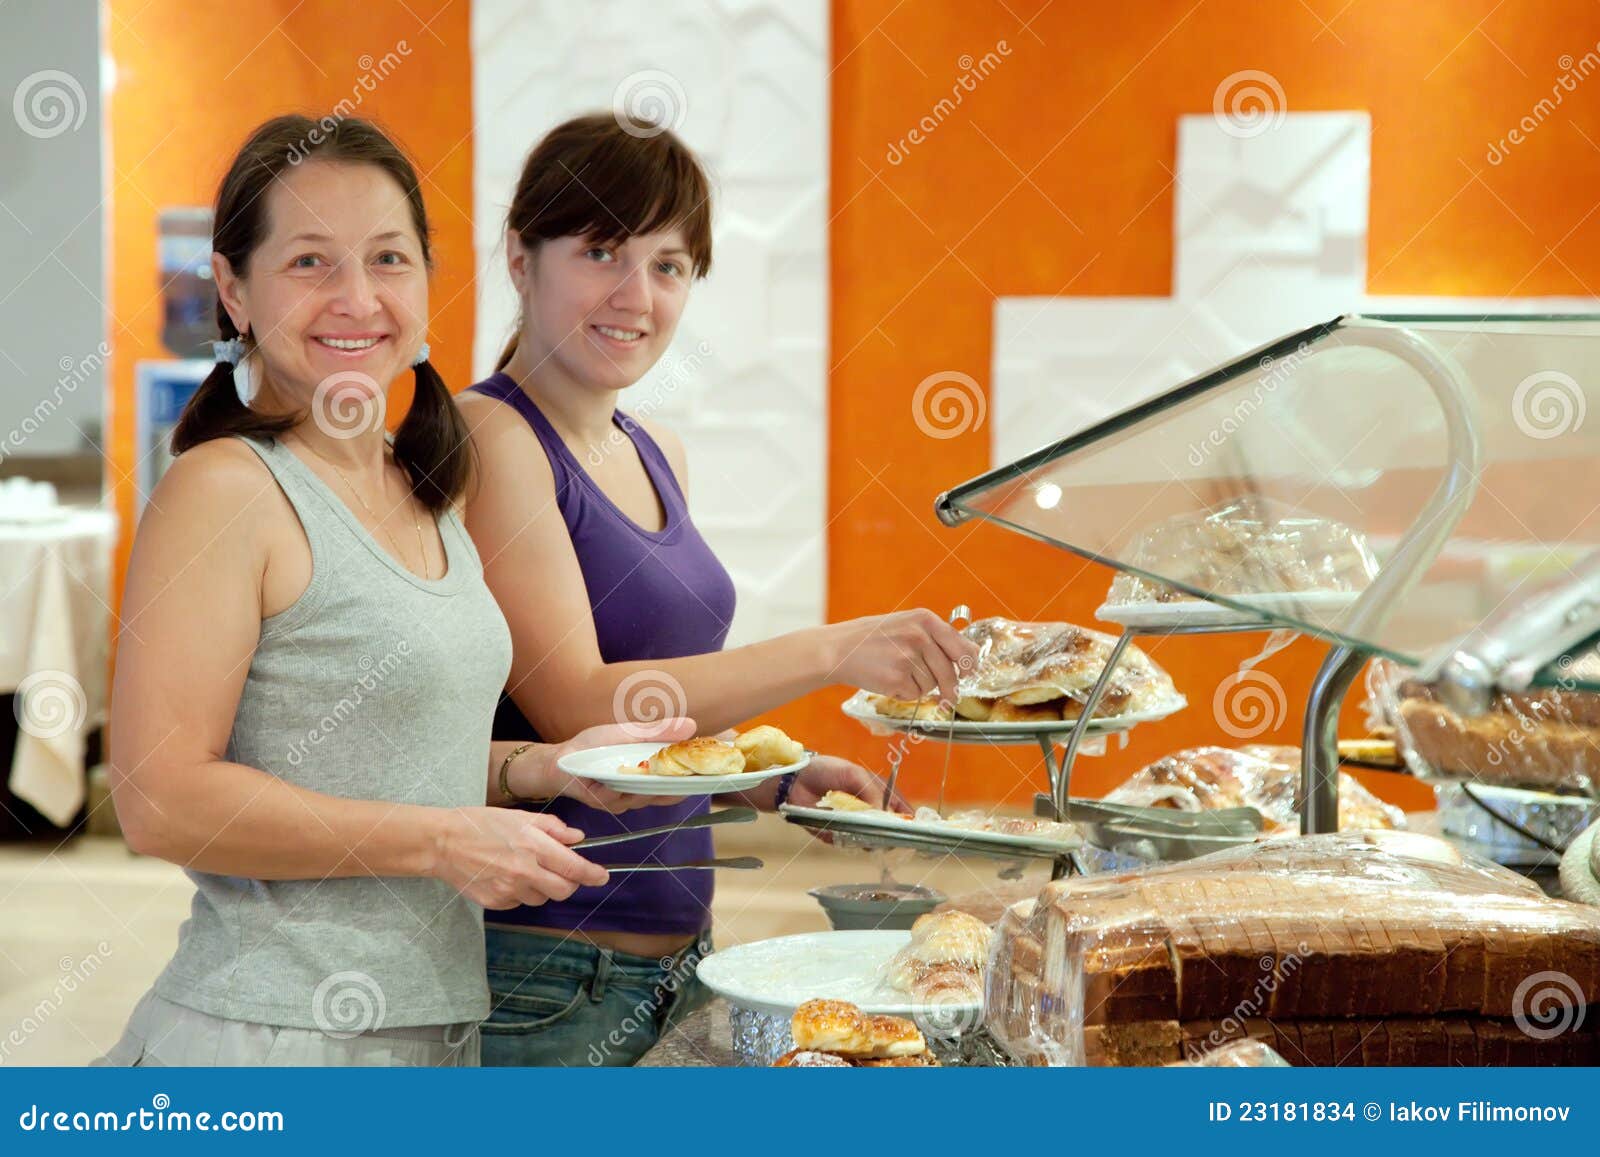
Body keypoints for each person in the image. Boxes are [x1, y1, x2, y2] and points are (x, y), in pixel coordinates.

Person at [98, 114, 677, 1067]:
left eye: (389, 259)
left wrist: (543, 769)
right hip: (276, 1041)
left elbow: (377, 756)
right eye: (311, 263)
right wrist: (442, 842)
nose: (358, 297)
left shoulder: (421, 488)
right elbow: (159, 800)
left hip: (427, 1038)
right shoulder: (225, 489)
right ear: (234, 290)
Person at [458, 113, 979, 1066]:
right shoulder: (491, 438)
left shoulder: (657, 453)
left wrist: (774, 775)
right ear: (520, 258)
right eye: (602, 250)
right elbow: (578, 702)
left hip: (681, 954)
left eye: (669, 265)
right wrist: (828, 649)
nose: (636, 294)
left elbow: (660, 715)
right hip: (546, 969)